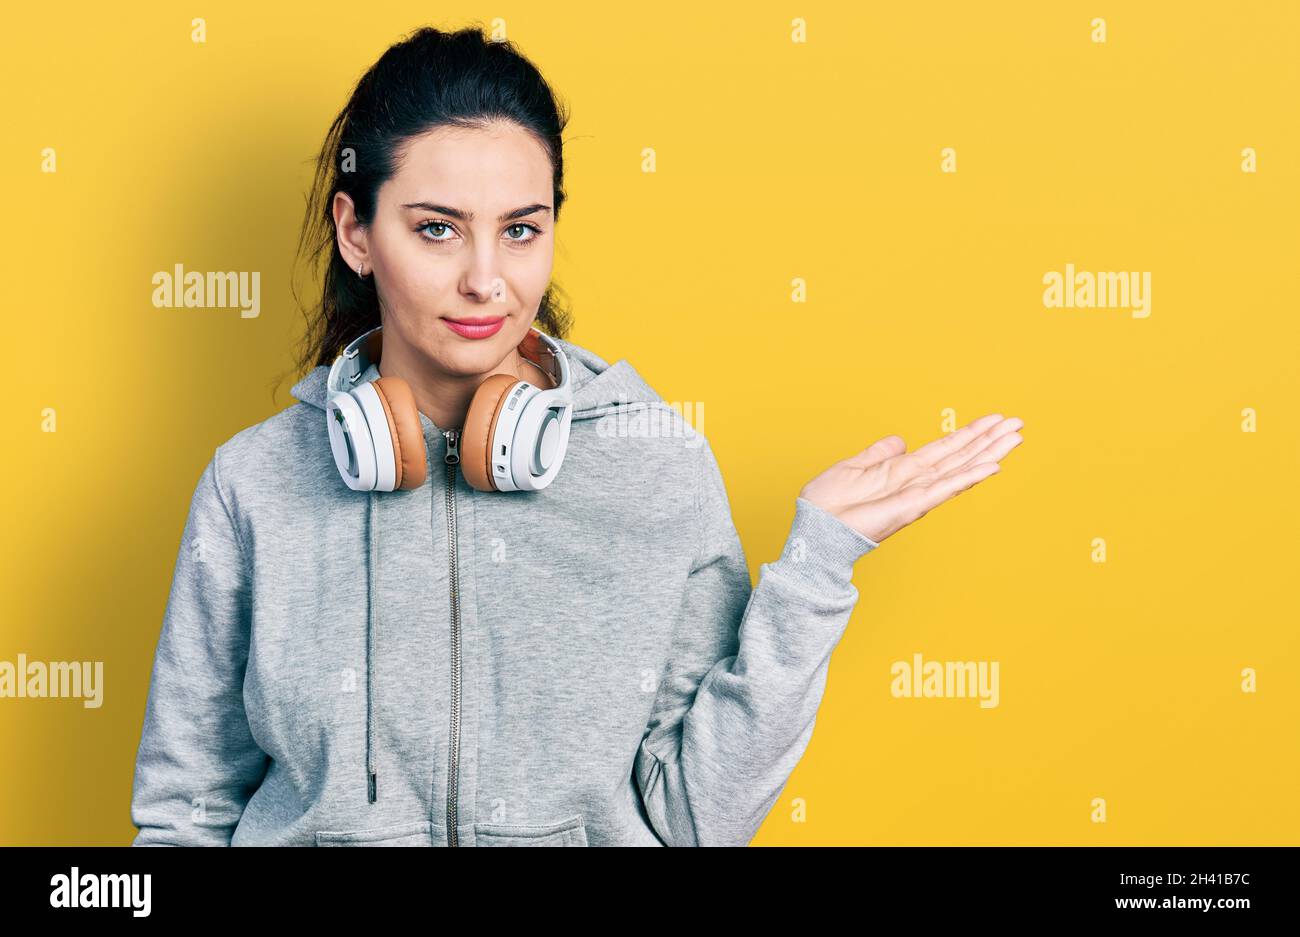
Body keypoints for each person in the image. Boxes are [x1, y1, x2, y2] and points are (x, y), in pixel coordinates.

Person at [129, 24, 1024, 847]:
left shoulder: (656, 462)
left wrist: (817, 567)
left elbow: (698, 818)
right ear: (355, 231)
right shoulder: (252, 483)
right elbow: (184, 813)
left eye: (521, 230)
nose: (488, 280)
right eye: (437, 229)